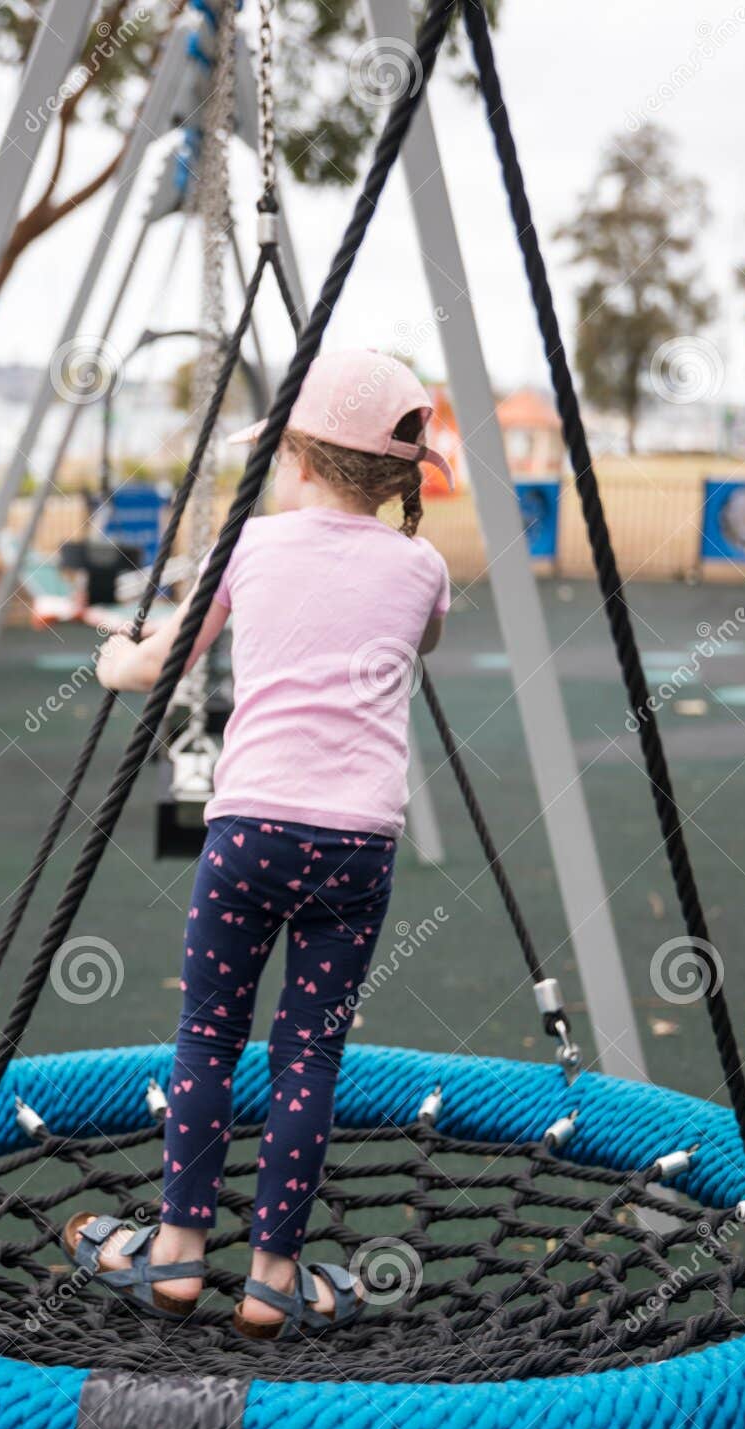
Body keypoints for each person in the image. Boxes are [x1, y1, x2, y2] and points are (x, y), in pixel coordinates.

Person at [62, 349, 453, 1339]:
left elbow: (158, 664)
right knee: (305, 1058)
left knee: (206, 1037)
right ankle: (272, 1274)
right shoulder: (420, 566)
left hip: (248, 834)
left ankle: (181, 1250)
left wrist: (114, 660)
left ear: (297, 460)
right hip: (356, 848)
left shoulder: (249, 547)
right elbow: (422, 639)